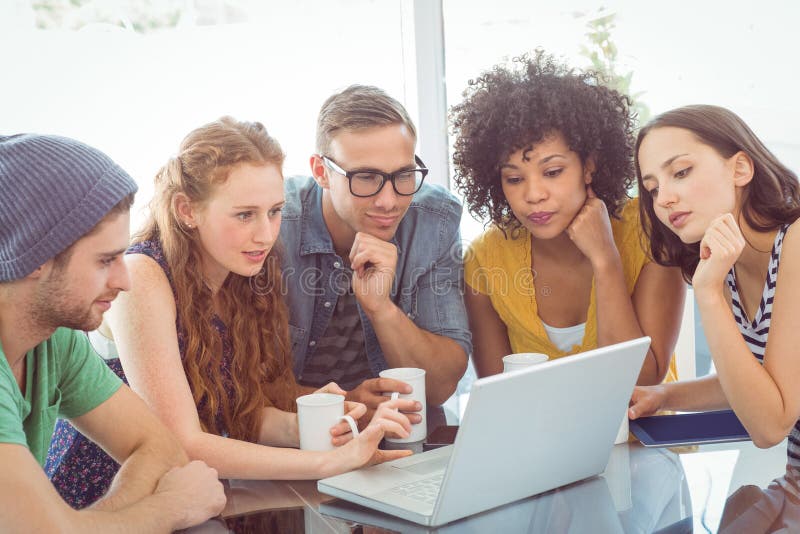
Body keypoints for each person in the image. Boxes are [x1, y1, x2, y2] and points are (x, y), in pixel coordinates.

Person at [46, 117, 414, 508]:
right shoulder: (142, 276)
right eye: (244, 215)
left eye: (274, 211)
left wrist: (306, 425)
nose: (266, 234)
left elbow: (237, 412)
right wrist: (330, 462)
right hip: (102, 498)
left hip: (184, 499)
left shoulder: (243, 271)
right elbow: (181, 443)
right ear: (187, 209)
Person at [0, 134, 225, 531]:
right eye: (105, 261)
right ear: (34, 257)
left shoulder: (55, 340)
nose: (124, 281)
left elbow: (161, 449)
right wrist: (171, 506)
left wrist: (86, 523)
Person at [451, 51, 685, 382]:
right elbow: (498, 392)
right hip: (536, 419)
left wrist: (605, 260)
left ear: (588, 166)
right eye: (514, 178)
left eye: (552, 172)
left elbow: (643, 379)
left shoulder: (649, 231)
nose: (533, 194)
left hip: (641, 418)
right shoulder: (485, 260)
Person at [280, 85, 471, 416]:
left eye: (404, 175)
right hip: (292, 435)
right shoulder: (274, 223)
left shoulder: (433, 220)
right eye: (366, 177)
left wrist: (381, 309)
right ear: (321, 172)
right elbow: (235, 391)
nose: (389, 201)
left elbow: (439, 388)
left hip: (400, 429)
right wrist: (346, 404)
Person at [630, 104, 800, 461]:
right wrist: (663, 396)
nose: (664, 199)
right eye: (652, 188)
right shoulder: (726, 262)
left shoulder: (796, 242)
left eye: (680, 172)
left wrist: (708, 294)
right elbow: (753, 382)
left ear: (740, 168)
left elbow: (770, 426)